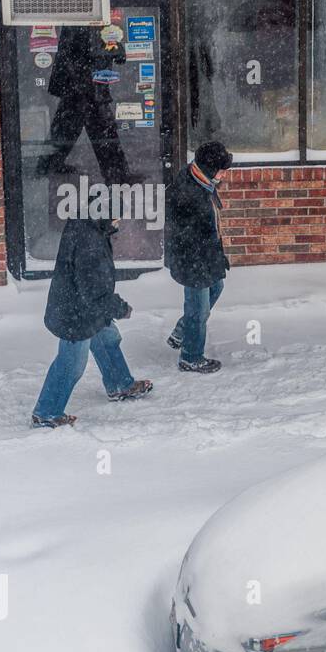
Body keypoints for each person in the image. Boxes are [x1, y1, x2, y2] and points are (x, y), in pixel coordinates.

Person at [32, 217, 153, 428]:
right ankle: (46, 413)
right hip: (75, 314)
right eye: (116, 216)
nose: (119, 222)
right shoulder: (90, 241)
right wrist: (120, 308)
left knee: (107, 337)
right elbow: (94, 292)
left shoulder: (88, 227)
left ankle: (119, 384)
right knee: (71, 364)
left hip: (82, 307)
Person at [166, 141, 234, 374]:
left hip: (204, 256)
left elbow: (209, 227)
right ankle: (191, 357)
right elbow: (189, 236)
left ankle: (182, 332)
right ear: (208, 167)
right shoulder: (189, 193)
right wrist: (203, 261)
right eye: (221, 169)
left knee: (216, 288)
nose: (224, 174)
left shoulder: (200, 179)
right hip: (193, 260)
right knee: (198, 309)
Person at [36, 24, 133, 184]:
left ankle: (46, 168)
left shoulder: (85, 26)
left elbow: (117, 55)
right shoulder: (84, 27)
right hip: (84, 92)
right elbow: (80, 57)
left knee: (69, 131)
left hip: (81, 91)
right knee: (99, 132)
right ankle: (117, 175)